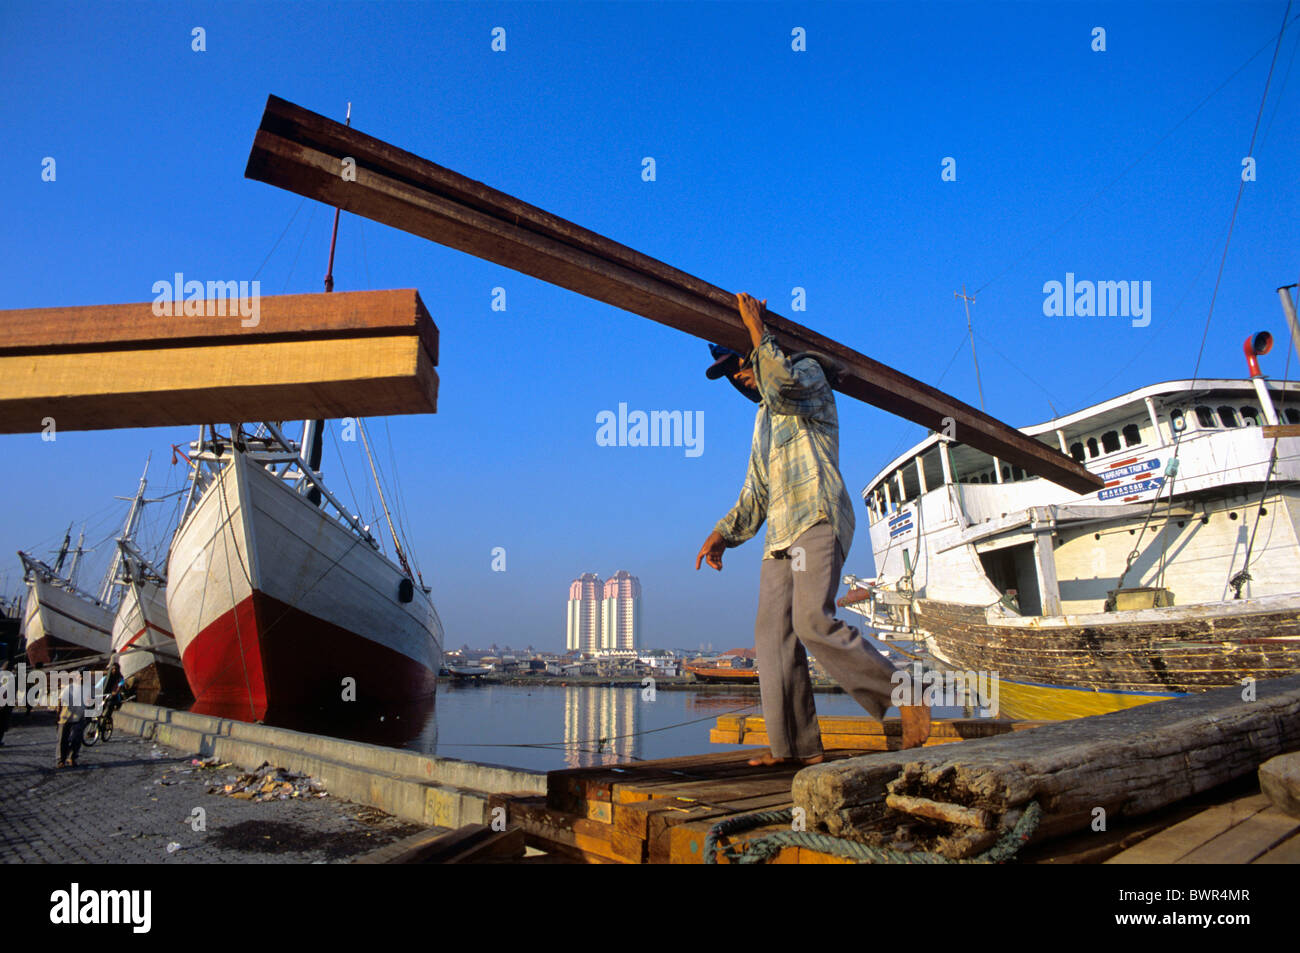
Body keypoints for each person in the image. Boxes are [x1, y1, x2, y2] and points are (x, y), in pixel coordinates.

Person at [696, 292, 931, 765]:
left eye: (739, 366)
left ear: (757, 351)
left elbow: (780, 384)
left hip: (816, 517)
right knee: (771, 637)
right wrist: (724, 532)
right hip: (779, 535)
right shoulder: (763, 421)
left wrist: (756, 329)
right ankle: (794, 749)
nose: (739, 378)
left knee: (810, 621)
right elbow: (756, 493)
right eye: (730, 376)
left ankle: (906, 691)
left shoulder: (806, 373)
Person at [55, 674, 86, 768]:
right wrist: (58, 715)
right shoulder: (69, 688)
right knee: (62, 739)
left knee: (77, 739)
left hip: (80, 717)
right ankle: (61, 760)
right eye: (81, 676)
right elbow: (60, 701)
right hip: (66, 717)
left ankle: (72, 758)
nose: (82, 678)